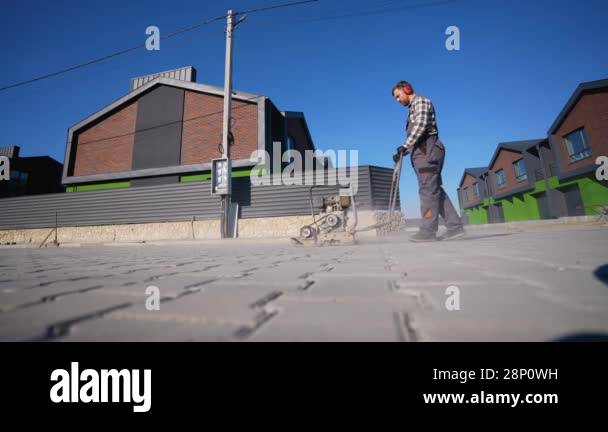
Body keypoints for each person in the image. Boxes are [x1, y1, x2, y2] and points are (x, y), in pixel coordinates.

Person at [392, 81, 466, 242]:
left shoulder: (421, 102)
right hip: (422, 151)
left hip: (428, 151)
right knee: (434, 190)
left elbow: (421, 126)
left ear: (407, 89)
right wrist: (403, 152)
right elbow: (417, 134)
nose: (398, 100)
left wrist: (405, 146)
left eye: (398, 96)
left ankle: (428, 231)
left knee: (427, 190)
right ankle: (455, 228)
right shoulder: (412, 108)